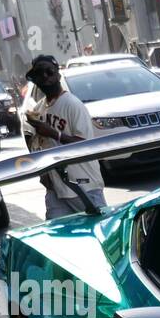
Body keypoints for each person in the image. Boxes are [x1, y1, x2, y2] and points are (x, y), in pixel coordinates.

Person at [24, 54, 107, 218]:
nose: (45, 76)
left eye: (49, 72)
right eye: (39, 73)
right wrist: (43, 174)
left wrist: (54, 133)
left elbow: (85, 145)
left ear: (58, 74)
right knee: (57, 234)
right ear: (35, 79)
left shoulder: (72, 104)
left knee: (99, 230)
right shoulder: (39, 108)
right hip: (56, 188)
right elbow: (39, 146)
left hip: (84, 184)